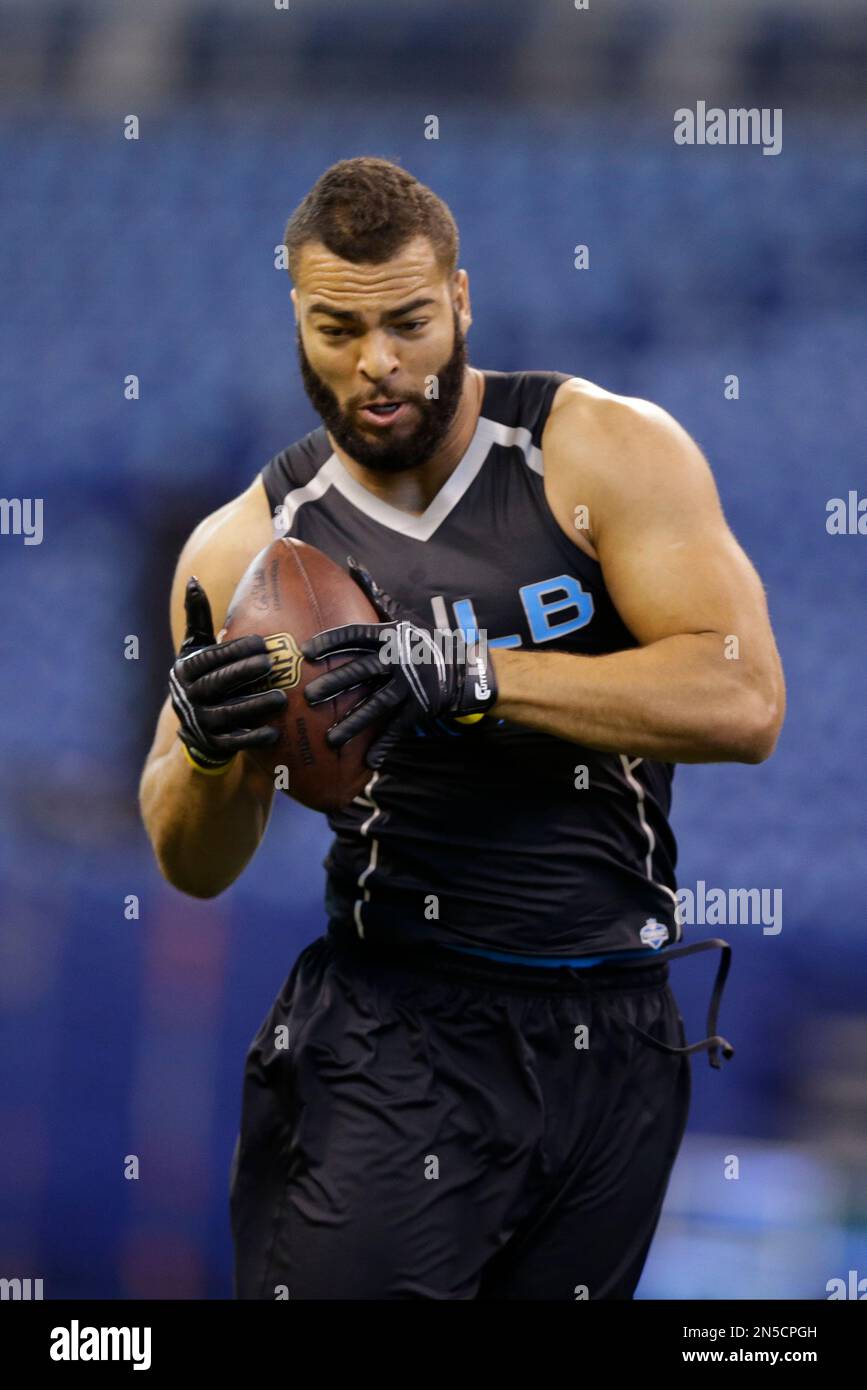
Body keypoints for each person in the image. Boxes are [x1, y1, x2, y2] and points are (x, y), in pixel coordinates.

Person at [139, 157, 786, 1299]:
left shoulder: (598, 450)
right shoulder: (247, 548)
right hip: (399, 1038)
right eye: (339, 327)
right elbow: (194, 867)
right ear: (298, 316)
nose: (378, 362)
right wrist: (200, 751)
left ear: (463, 303)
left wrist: (478, 673)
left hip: (619, 1039)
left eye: (410, 322)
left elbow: (742, 702)